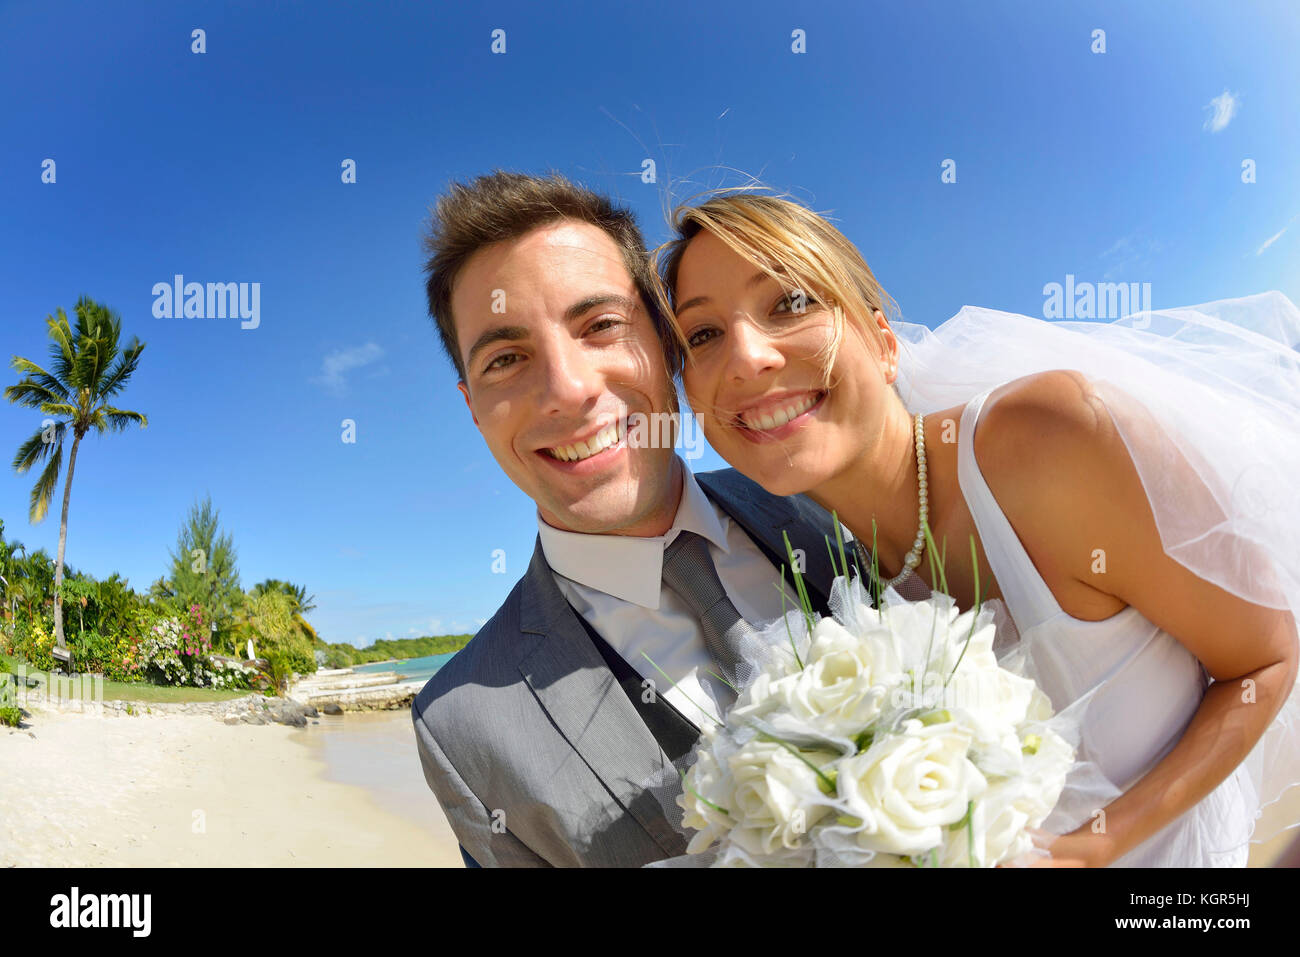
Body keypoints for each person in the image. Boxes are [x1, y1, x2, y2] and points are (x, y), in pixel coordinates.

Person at [652, 190, 1300, 866]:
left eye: (789, 302)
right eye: (703, 335)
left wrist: (1089, 849)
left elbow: (1266, 660)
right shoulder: (841, 590)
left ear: (883, 341)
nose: (747, 357)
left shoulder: (1050, 438)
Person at [410, 172, 847, 867]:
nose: (569, 389)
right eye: (506, 358)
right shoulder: (459, 727)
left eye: (601, 325)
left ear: (669, 342)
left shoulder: (831, 507)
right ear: (471, 405)